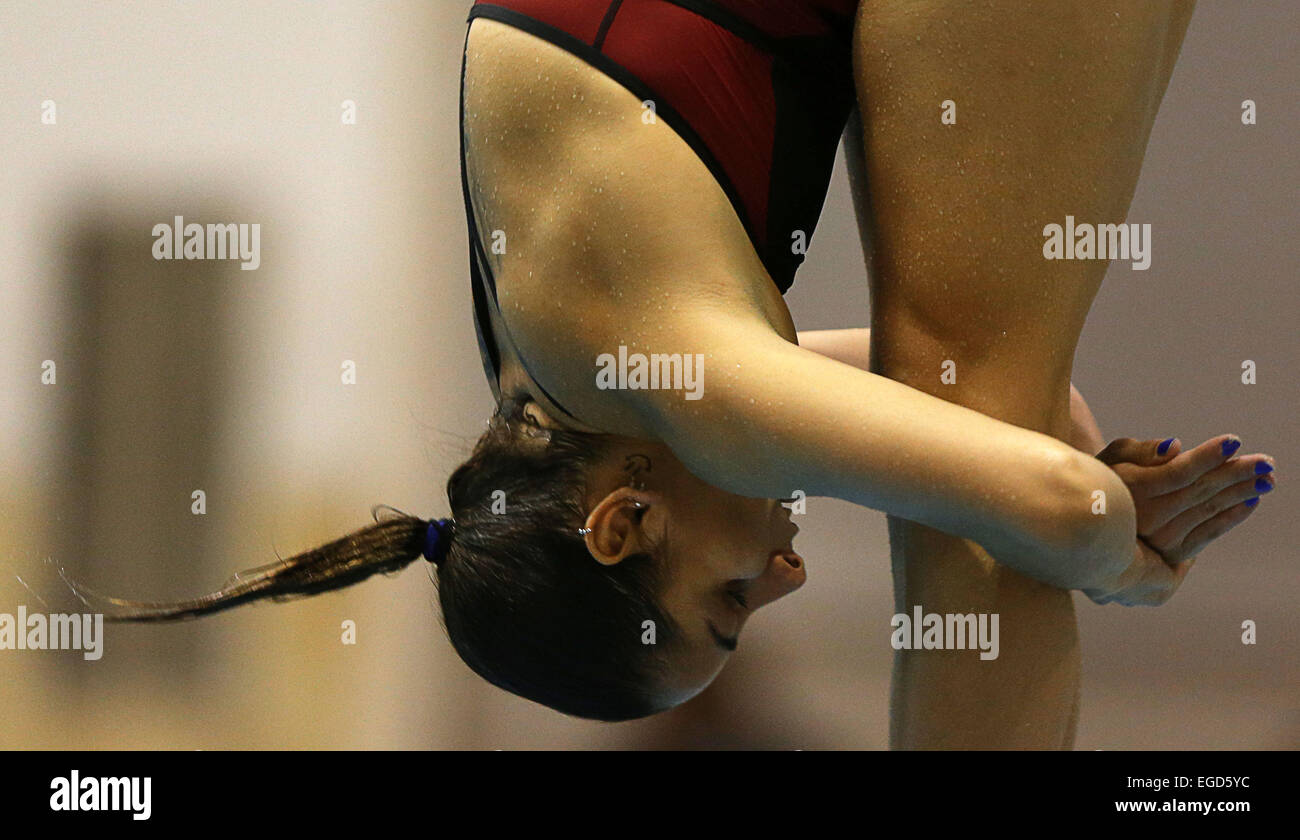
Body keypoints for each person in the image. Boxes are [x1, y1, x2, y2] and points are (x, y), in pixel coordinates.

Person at [98, 1, 1272, 728]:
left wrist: (1122, 564)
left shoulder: (697, 395)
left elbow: (1050, 501)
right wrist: (1047, 474)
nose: (785, 578)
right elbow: (982, 427)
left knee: (975, 550)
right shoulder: (567, 364)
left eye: (727, 606)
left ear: (619, 527)